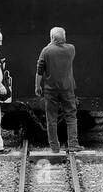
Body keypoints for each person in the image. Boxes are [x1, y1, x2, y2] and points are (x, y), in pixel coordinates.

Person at [35, 25, 82, 154]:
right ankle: (73, 144)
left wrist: (37, 86)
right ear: (64, 37)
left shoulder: (46, 51)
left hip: (50, 89)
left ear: (51, 38)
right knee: (71, 116)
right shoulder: (71, 49)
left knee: (51, 118)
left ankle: (54, 147)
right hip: (67, 88)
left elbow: (39, 71)